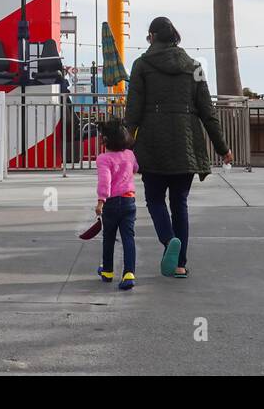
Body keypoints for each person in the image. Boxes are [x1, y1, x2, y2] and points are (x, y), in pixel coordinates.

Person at [124, 16, 232, 278]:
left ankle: (168, 238)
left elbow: (134, 110)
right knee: (180, 202)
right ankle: (180, 263)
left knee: (154, 199)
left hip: (153, 142)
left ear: (152, 37)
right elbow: (208, 112)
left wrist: (126, 142)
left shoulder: (142, 65)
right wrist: (222, 147)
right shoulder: (193, 66)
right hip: (186, 141)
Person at [94, 119, 139, 291]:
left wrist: (100, 201)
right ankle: (129, 273)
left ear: (105, 141)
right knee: (128, 237)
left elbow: (105, 181)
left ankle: (107, 271)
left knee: (109, 237)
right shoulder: (129, 154)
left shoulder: (103, 159)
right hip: (129, 201)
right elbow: (135, 168)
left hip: (111, 203)